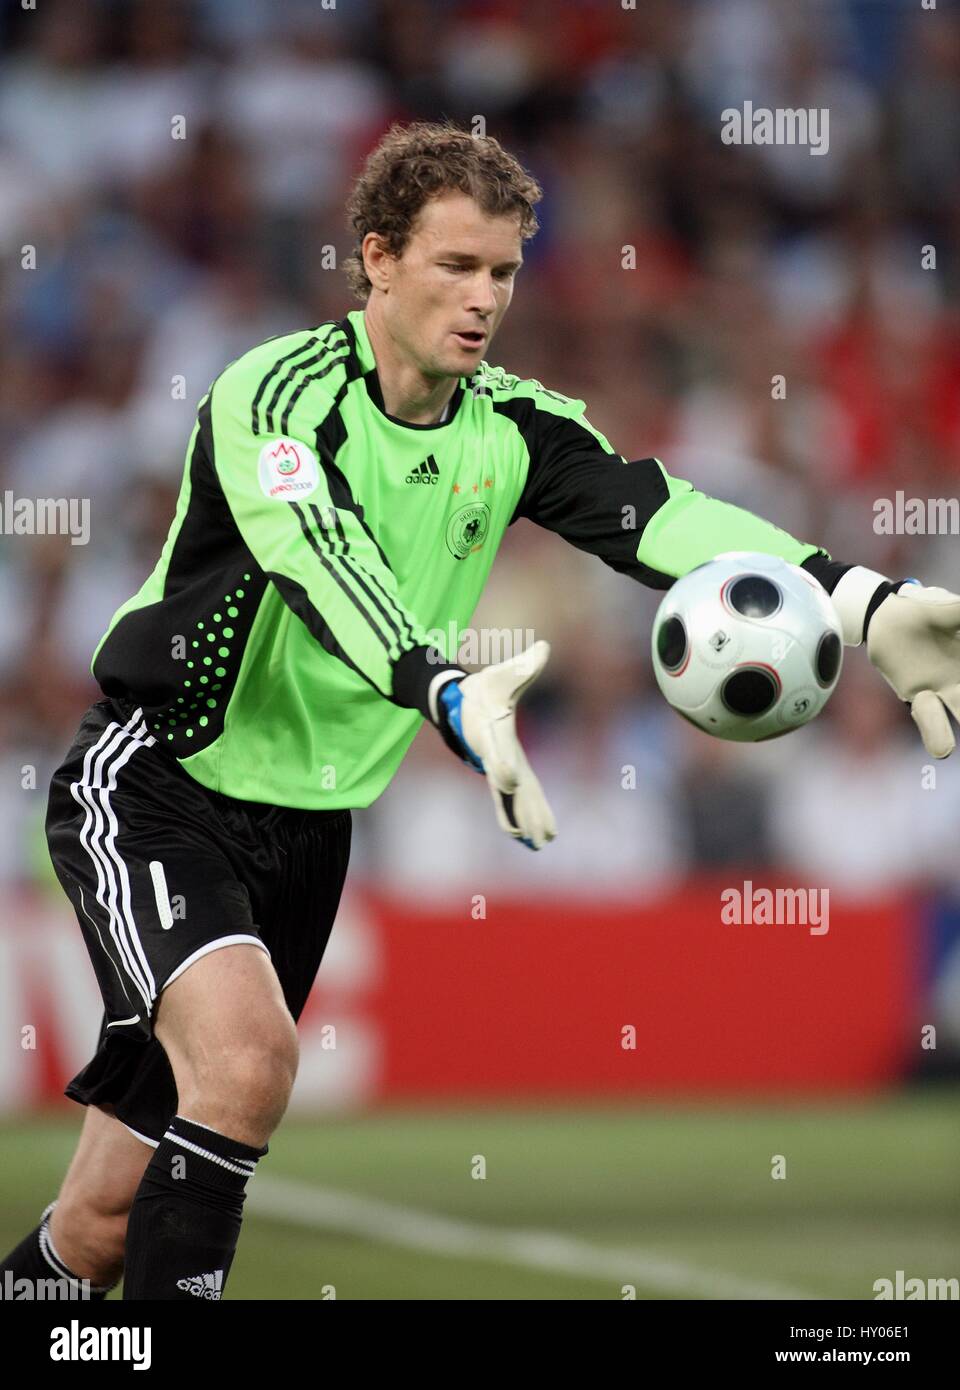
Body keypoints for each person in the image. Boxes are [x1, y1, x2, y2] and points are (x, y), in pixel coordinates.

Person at [3, 121, 959, 1301]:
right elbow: (323, 564)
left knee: (97, 1225)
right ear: (379, 259)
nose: (484, 298)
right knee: (248, 1065)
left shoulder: (510, 423)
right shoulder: (276, 394)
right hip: (159, 782)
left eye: (502, 272)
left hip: (307, 830)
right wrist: (439, 686)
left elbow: (657, 514)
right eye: (456, 266)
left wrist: (860, 600)